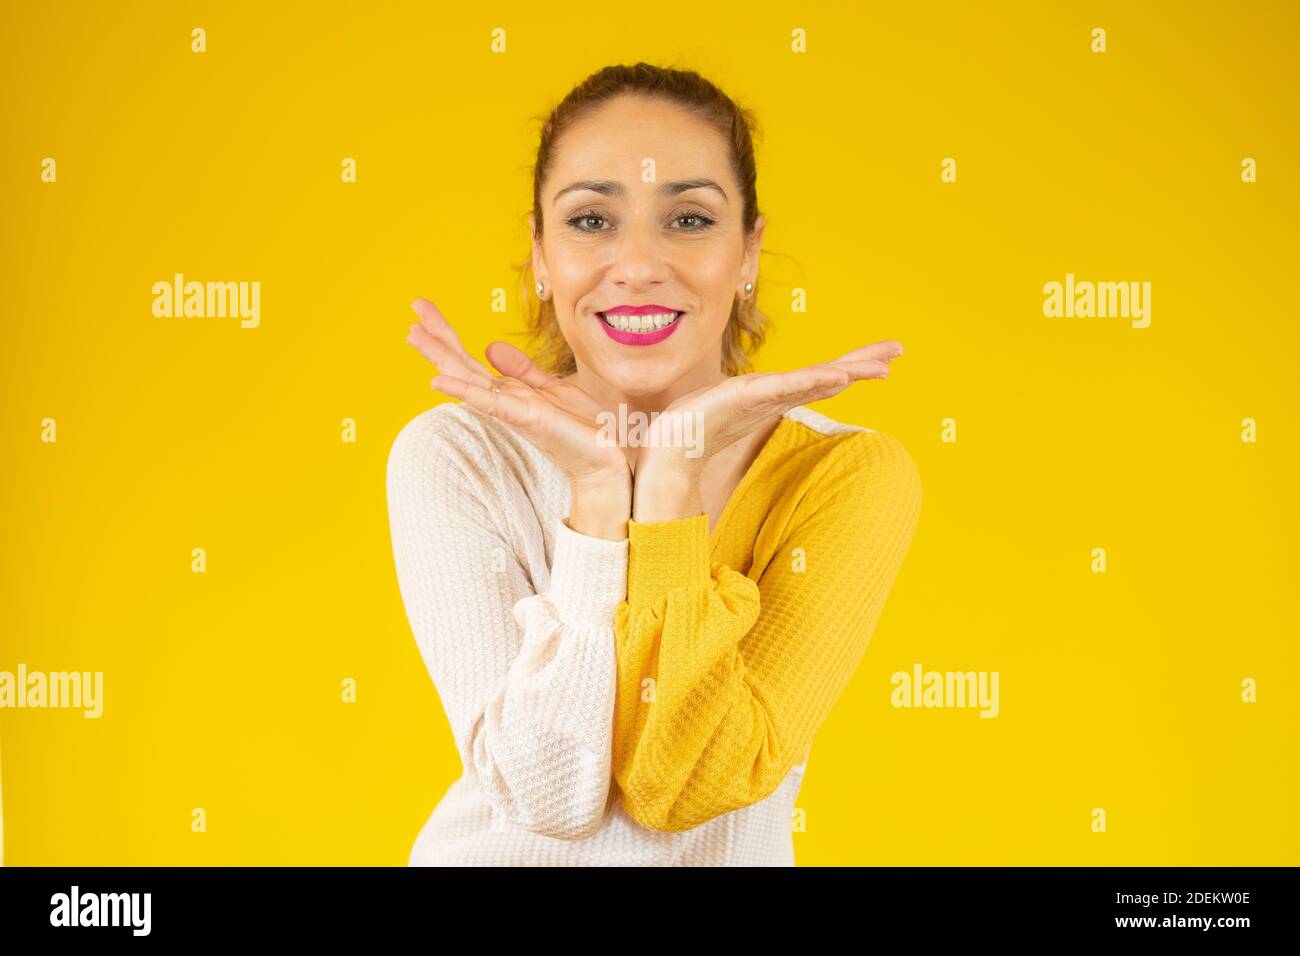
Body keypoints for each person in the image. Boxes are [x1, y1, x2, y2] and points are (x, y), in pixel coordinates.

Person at [386, 62, 921, 866]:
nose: (638, 264)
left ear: (749, 253)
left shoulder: (842, 478)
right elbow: (543, 796)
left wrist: (670, 489)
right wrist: (599, 505)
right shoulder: (457, 456)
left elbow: (690, 787)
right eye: (593, 221)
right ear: (539, 253)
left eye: (690, 219)